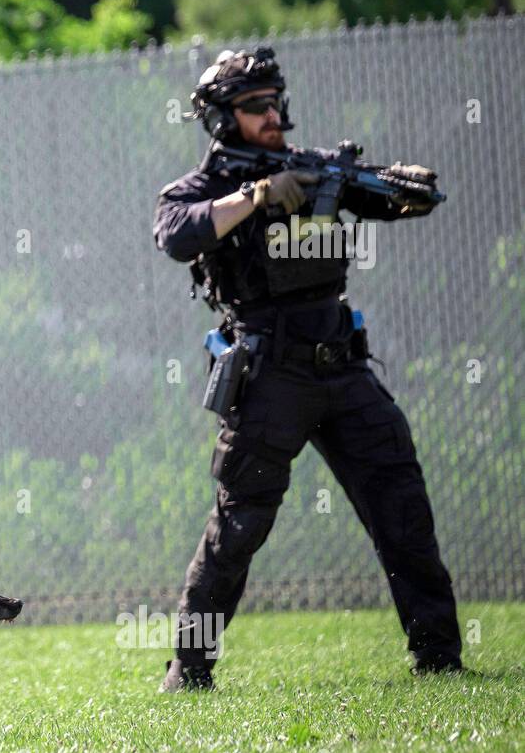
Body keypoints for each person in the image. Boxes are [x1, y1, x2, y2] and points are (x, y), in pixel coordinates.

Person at [152, 48, 462, 691]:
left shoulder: (314, 169)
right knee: (239, 527)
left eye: (275, 102)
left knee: (402, 506)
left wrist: (400, 189)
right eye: (255, 106)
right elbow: (177, 234)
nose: (272, 115)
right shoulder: (201, 190)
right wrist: (257, 195)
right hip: (268, 376)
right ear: (220, 119)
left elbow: (388, 199)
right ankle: (189, 669)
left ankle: (439, 657)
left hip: (344, 369)